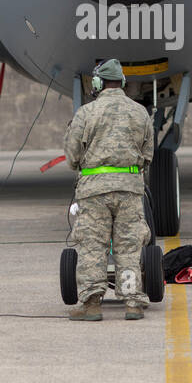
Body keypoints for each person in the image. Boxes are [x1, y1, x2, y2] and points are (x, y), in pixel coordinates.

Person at [63, 59, 155, 321]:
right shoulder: (140, 113)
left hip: (94, 192)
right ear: (122, 83)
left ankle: (91, 305)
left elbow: (71, 157)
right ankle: (132, 304)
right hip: (130, 190)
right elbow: (148, 155)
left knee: (92, 247)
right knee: (128, 247)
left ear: (96, 84)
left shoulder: (86, 113)